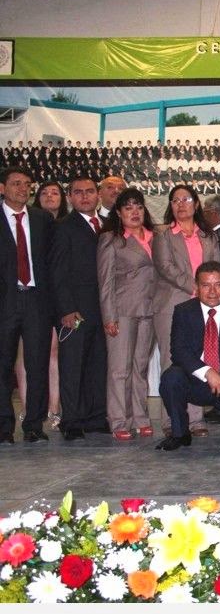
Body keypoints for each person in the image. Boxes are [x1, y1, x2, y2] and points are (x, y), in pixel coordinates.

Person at [156, 262, 220, 450]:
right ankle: (180, 434)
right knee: (171, 378)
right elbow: (179, 351)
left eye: (218, 285)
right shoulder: (183, 311)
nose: (212, 292)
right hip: (198, 382)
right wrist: (207, 372)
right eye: (205, 285)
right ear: (196, 287)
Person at [152, 184, 220, 437]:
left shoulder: (208, 235)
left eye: (186, 199)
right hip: (172, 305)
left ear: (196, 204)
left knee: (198, 360)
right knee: (172, 363)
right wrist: (197, 287)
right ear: (171, 206)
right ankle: (173, 421)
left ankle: (195, 420)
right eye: (176, 200)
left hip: (203, 306)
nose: (181, 204)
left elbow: (217, 266)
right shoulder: (163, 235)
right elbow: (164, 267)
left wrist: (209, 292)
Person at [48, 176, 108, 440]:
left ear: (98, 195)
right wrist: (66, 309)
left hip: (103, 310)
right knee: (73, 365)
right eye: (78, 193)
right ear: (70, 197)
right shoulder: (63, 228)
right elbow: (57, 272)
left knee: (98, 364)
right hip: (76, 313)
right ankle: (71, 420)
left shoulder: (106, 226)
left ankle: (95, 417)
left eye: (90, 192)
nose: (85, 197)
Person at [0, 168, 55, 443]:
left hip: (37, 301)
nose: (23, 189)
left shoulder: (42, 219)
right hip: (5, 302)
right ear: (2, 188)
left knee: (37, 365)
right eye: (16, 184)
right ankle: (3, 426)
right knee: (3, 366)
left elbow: (53, 263)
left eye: (27, 184)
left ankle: (34, 425)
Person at [98, 188, 158, 440]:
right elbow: (105, 282)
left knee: (140, 367)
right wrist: (108, 316)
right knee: (119, 369)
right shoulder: (111, 239)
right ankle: (119, 420)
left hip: (151, 310)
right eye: (128, 208)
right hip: (122, 311)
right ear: (119, 213)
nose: (135, 212)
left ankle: (140, 417)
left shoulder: (156, 236)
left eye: (139, 207)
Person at [26, 181, 65, 428]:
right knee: (27, 356)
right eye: (44, 192)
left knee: (54, 352)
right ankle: (31, 408)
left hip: (58, 296)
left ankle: (55, 406)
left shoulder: (67, 225)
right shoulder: (28, 222)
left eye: (55, 192)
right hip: (31, 298)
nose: (50, 196)